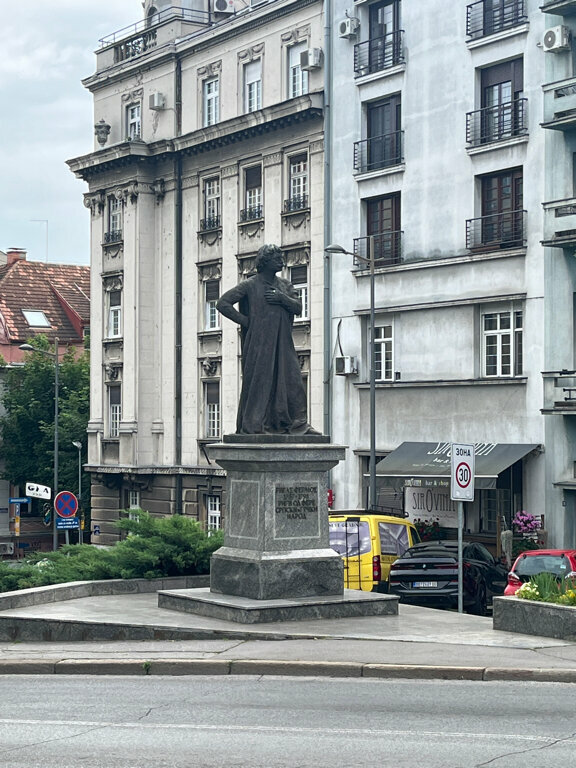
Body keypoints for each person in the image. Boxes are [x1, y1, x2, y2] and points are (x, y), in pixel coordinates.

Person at [216, 244, 319, 435]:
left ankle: (298, 424)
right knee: (260, 383)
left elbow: (297, 308)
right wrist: (247, 322)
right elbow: (223, 303)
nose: (281, 260)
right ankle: (256, 425)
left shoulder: (285, 285)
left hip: (283, 341)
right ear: (265, 261)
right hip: (259, 343)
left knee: (293, 379)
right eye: (276, 258)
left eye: (281, 257)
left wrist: (281, 298)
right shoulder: (250, 285)